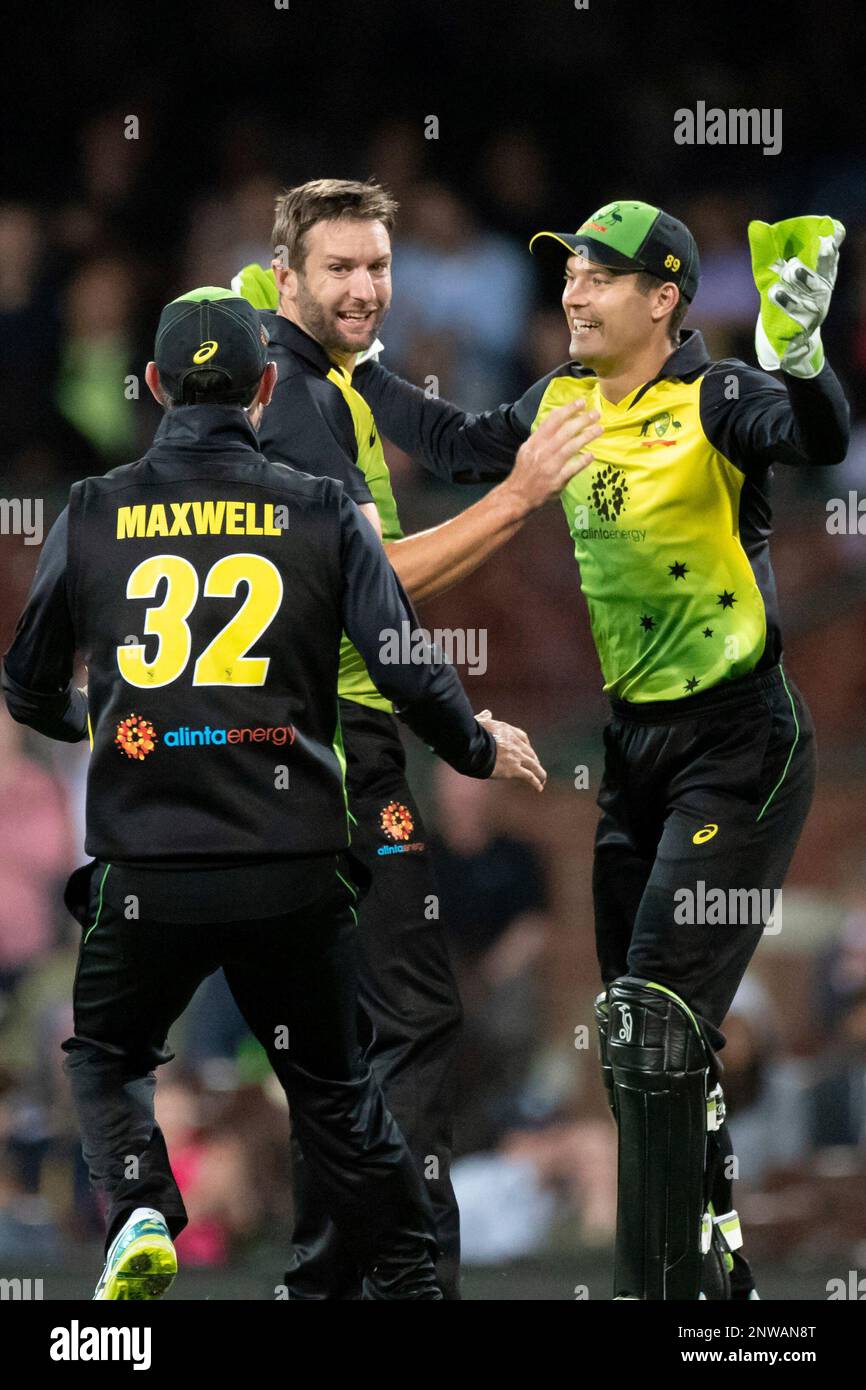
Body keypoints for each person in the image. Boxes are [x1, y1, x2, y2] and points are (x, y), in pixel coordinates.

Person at [1, 286, 553, 1301]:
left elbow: (26, 683)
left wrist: (101, 722)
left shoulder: (90, 511)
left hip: (150, 861)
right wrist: (472, 746)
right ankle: (410, 1275)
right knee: (338, 1092)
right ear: (264, 389)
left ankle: (136, 1212)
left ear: (158, 386)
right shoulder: (324, 510)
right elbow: (403, 667)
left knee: (107, 1049)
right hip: (292, 860)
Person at [348, 201, 850, 1299]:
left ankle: (657, 1291)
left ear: (663, 298)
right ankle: (708, 1259)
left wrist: (803, 358)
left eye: (600, 276)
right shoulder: (560, 401)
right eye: (568, 272)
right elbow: (457, 445)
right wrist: (357, 359)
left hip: (738, 742)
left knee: (654, 1021)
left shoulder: (715, 396)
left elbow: (813, 439)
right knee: (637, 1044)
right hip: (636, 752)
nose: (572, 292)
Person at [233, 177, 602, 1299]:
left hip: (303, 739)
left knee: (337, 1030)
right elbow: (367, 577)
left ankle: (326, 1275)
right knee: (413, 1011)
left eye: (377, 266)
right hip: (333, 745)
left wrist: (582, 360)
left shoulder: (327, 369)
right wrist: (522, 500)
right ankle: (403, 1276)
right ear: (290, 275)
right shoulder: (292, 398)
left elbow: (461, 433)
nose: (364, 287)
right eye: (339, 268)